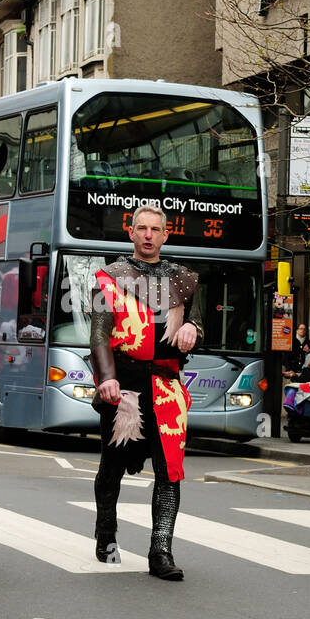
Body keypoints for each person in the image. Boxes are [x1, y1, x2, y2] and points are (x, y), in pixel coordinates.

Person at [90, 203, 201, 580]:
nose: (149, 234)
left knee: (170, 472)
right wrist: (106, 377)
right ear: (131, 233)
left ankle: (161, 551)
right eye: (142, 228)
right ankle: (106, 534)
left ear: (165, 234)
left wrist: (194, 331)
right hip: (124, 389)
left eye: (156, 229)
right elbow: (100, 334)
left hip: (167, 388)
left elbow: (198, 323)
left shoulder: (184, 280)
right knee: (113, 466)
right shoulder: (108, 276)